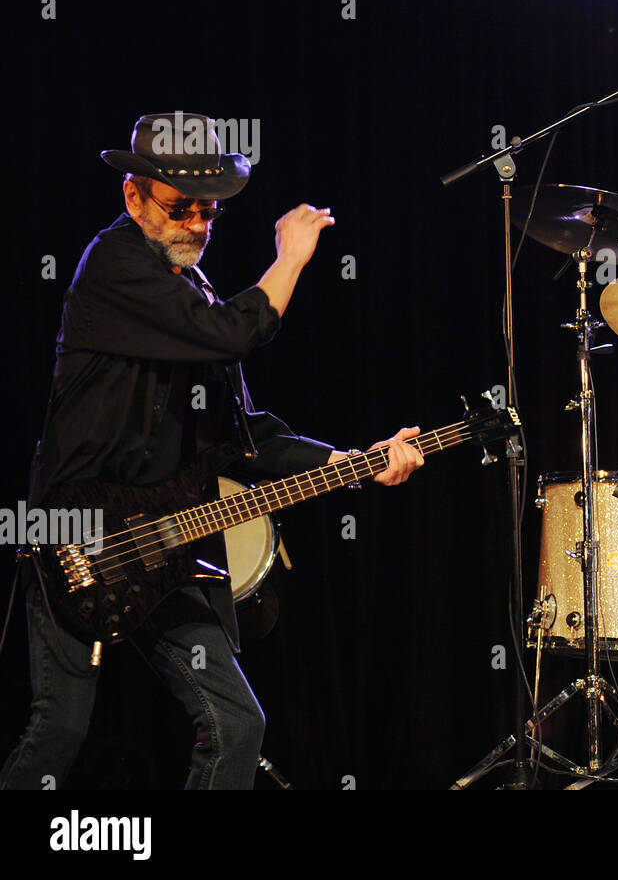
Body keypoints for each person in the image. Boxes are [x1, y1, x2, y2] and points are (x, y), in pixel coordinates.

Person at [1, 112, 423, 790]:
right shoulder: (112, 265)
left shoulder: (189, 290)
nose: (197, 224)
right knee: (60, 730)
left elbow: (243, 439)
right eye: (180, 209)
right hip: (75, 537)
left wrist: (354, 461)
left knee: (237, 725)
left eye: (208, 212)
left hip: (162, 550)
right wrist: (290, 260)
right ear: (133, 195)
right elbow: (231, 334)